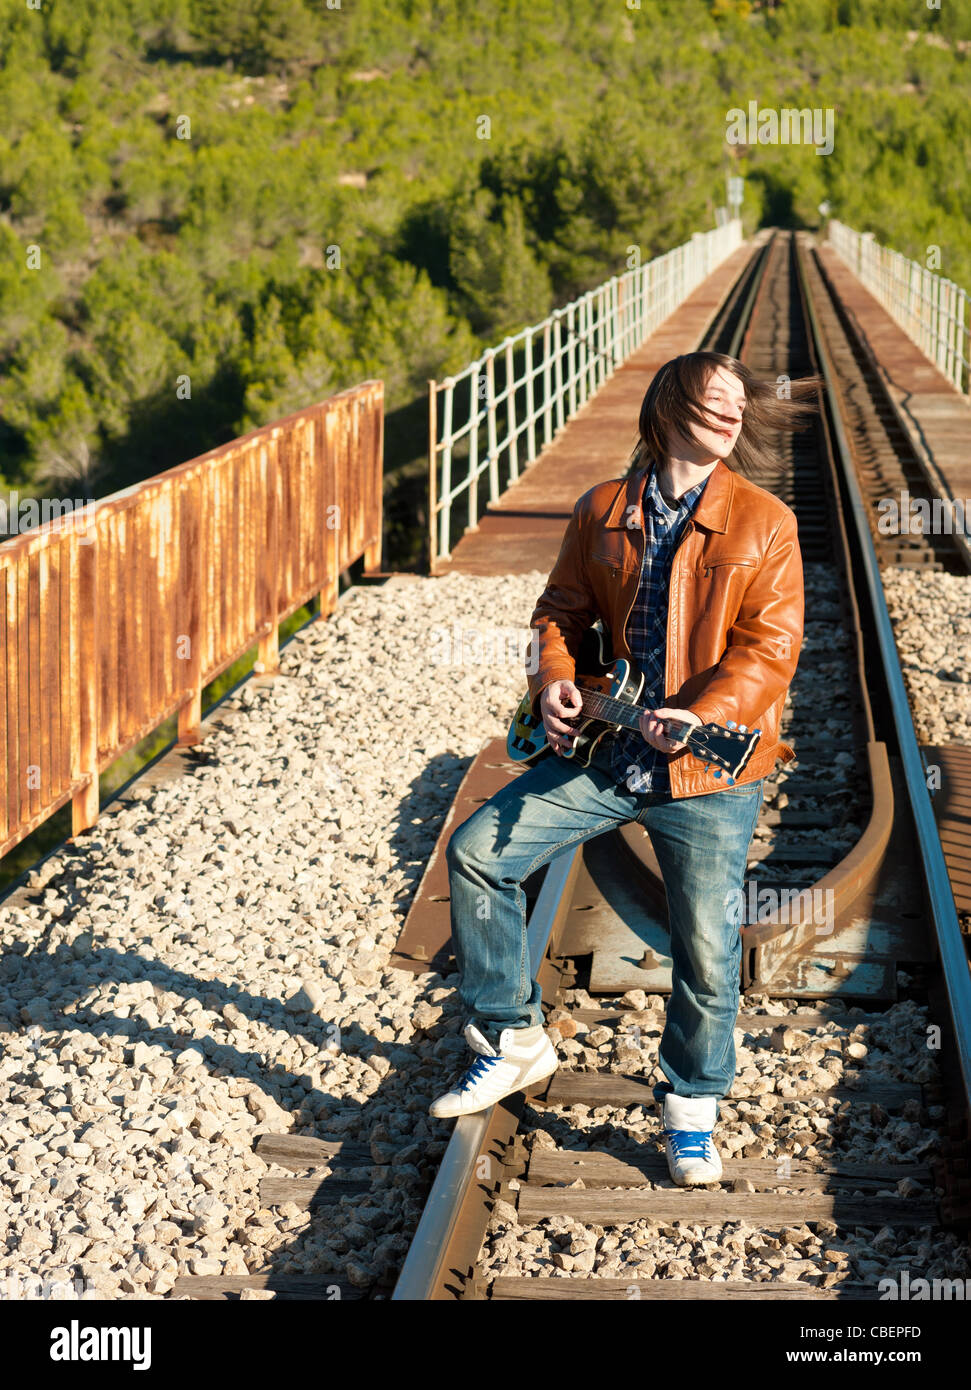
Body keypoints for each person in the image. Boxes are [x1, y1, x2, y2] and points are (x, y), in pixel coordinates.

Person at [429, 350, 821, 1185]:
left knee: (707, 948)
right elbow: (560, 613)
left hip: (710, 772)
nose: (732, 413)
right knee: (476, 853)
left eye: (738, 404)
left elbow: (770, 648)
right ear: (668, 404)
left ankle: (690, 1111)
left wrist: (705, 715)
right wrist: (556, 681)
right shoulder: (601, 509)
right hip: (610, 752)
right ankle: (511, 1036)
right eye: (714, 399)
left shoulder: (763, 521)